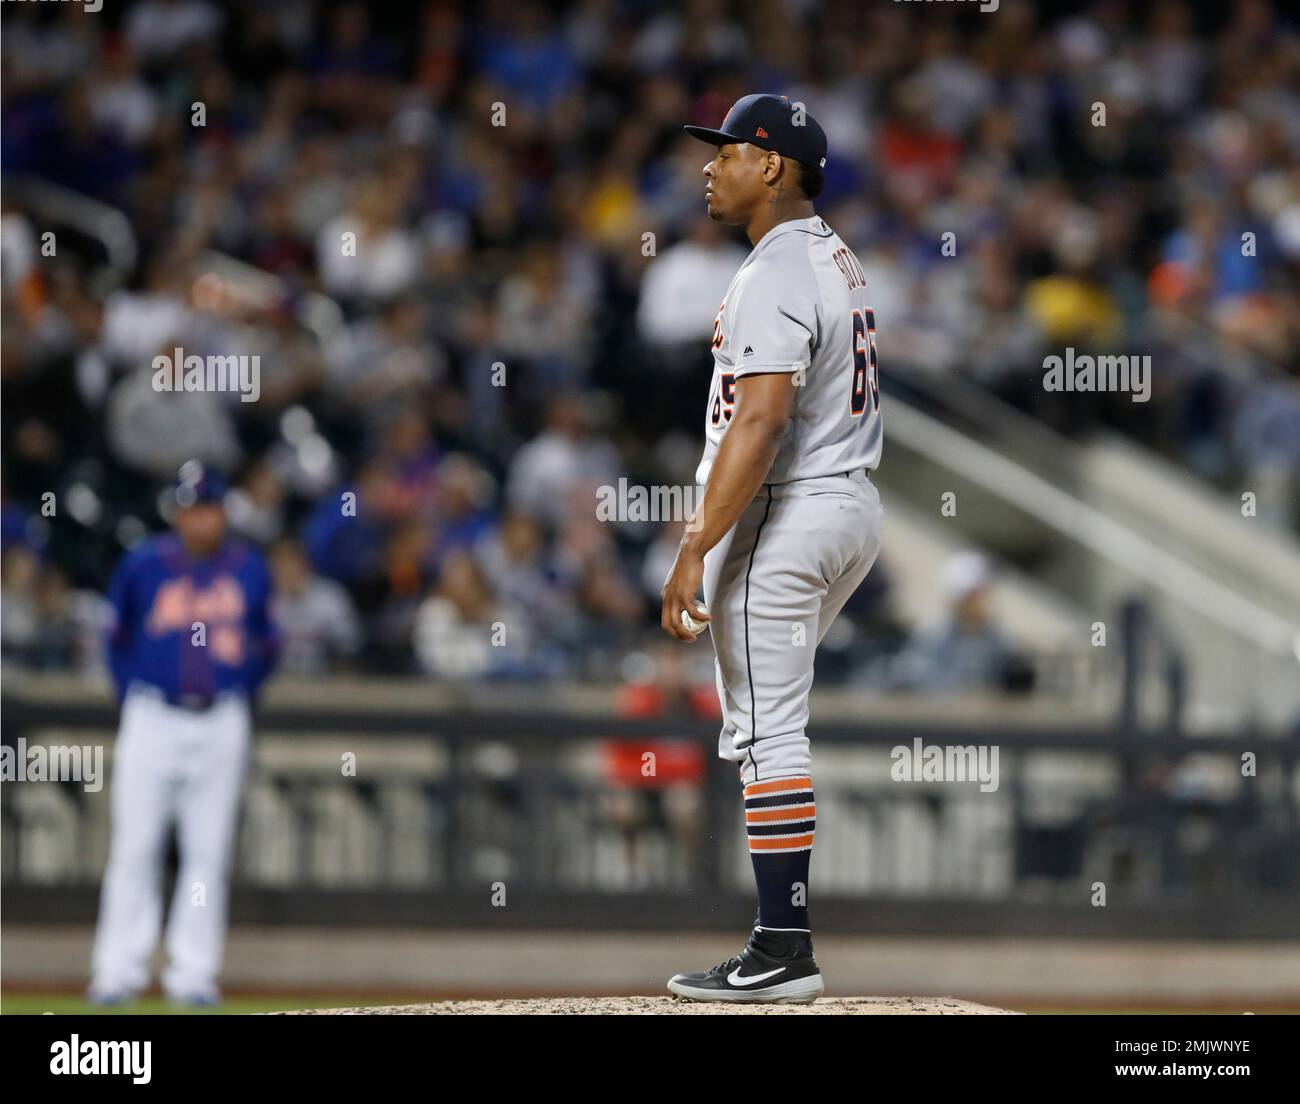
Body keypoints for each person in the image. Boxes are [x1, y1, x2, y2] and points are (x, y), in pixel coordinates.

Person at [659, 95, 885, 1004]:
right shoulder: (833, 255)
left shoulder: (777, 270)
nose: (710, 166)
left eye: (728, 151)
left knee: (765, 730)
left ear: (774, 168)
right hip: (847, 506)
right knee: (771, 721)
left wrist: (693, 545)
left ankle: (783, 944)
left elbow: (761, 418)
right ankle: (780, 939)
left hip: (791, 512)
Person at [87, 461, 278, 1006]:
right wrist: (134, 698)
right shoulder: (144, 565)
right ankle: (116, 972)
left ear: (223, 512)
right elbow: (115, 640)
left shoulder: (248, 567)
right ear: (176, 512)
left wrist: (239, 692)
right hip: (153, 715)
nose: (201, 519)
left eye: (210, 507)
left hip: (221, 717)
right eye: (192, 508)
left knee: (208, 853)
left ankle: (192, 975)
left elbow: (267, 644)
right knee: (135, 847)